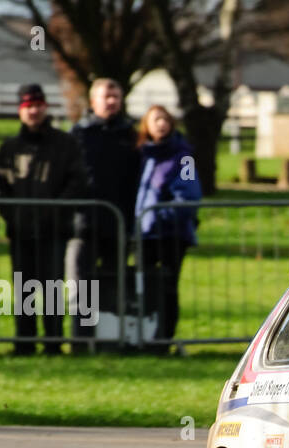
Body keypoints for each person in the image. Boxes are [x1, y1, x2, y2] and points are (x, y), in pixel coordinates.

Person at [0, 84, 89, 355]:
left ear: (45, 107)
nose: (33, 111)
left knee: (53, 288)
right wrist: (12, 214)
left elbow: (77, 180)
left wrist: (55, 211)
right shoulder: (10, 147)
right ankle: (25, 342)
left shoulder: (65, 144)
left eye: (37, 105)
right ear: (21, 110)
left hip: (54, 230)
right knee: (24, 289)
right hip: (21, 231)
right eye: (27, 106)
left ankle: (53, 342)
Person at [69, 78, 139, 348]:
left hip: (119, 224)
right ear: (93, 101)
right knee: (82, 288)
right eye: (106, 97)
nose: (111, 102)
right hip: (83, 224)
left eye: (116, 97)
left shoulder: (131, 136)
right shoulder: (79, 134)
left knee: (114, 285)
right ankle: (81, 342)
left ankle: (109, 340)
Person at [135, 105, 201, 353]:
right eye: (155, 119)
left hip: (171, 234)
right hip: (146, 235)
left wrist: (156, 218)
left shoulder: (184, 157)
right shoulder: (144, 155)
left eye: (165, 119)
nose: (161, 124)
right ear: (146, 126)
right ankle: (146, 336)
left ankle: (164, 338)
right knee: (147, 287)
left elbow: (189, 196)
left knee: (168, 288)